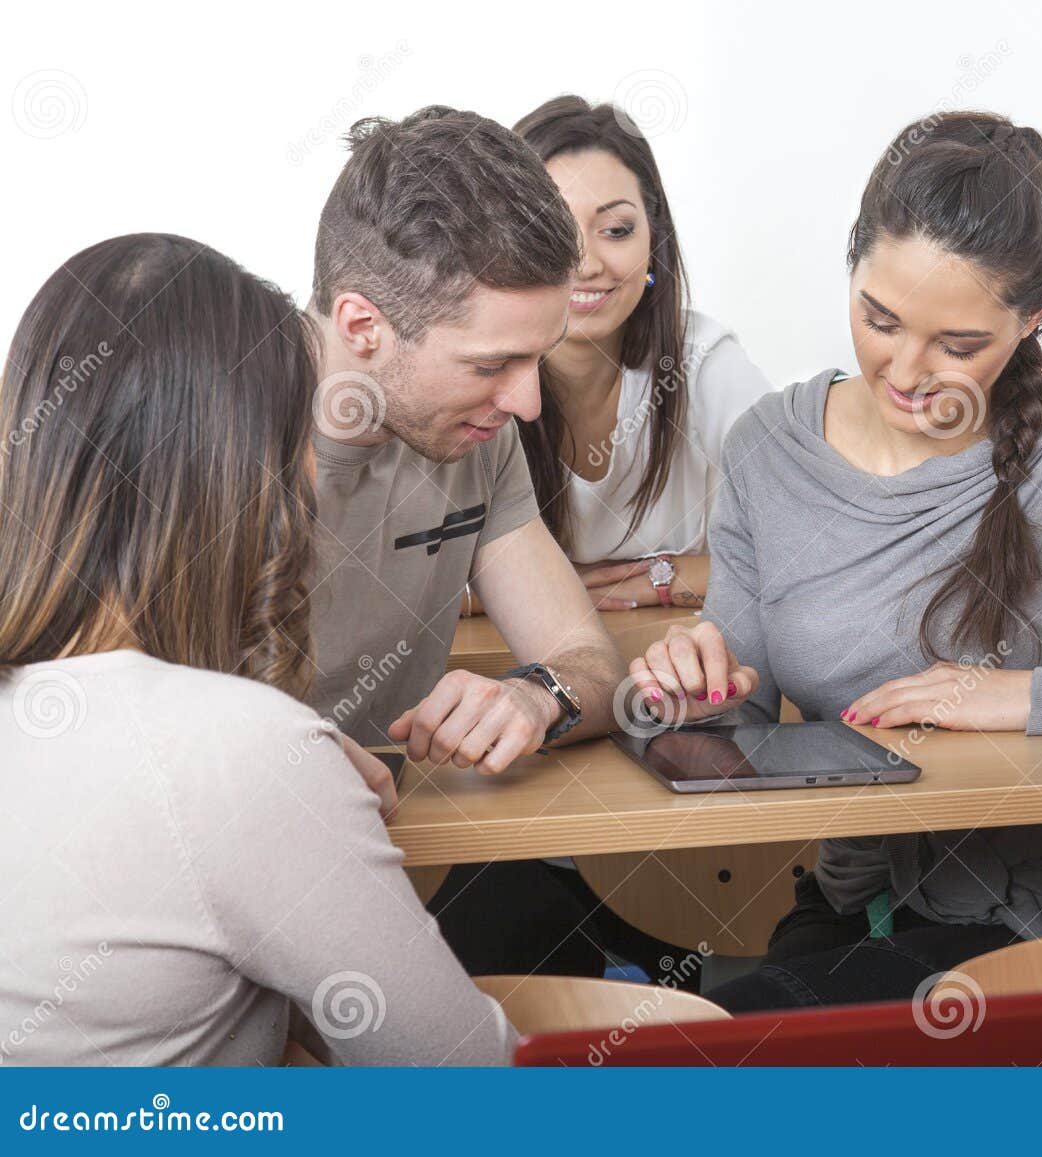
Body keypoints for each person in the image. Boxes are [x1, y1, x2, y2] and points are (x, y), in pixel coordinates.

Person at [632, 112, 1042, 1010]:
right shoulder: (769, 447)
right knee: (714, 1036)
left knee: (742, 1045)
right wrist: (684, 691)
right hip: (854, 901)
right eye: (879, 320)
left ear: (1035, 313)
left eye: (958, 346)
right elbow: (740, 722)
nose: (907, 372)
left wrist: (1022, 696)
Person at [0, 234, 514, 1065]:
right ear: (243, 469)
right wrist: (285, 772)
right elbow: (472, 1084)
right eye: (299, 436)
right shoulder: (246, 757)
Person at [305, 105, 629, 978]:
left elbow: (590, 663)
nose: (528, 402)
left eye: (538, 357)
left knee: (566, 959)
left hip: (394, 866)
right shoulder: (200, 432)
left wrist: (538, 696)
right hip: (221, 883)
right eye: (491, 365)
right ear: (362, 325)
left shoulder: (476, 436)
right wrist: (286, 754)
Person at [505, 95, 775, 612]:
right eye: (550, 230)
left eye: (615, 230)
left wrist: (665, 576)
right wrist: (546, 585)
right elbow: (416, 583)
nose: (585, 264)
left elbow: (813, 544)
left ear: (653, 241)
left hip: (678, 650)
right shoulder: (471, 373)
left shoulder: (702, 362)